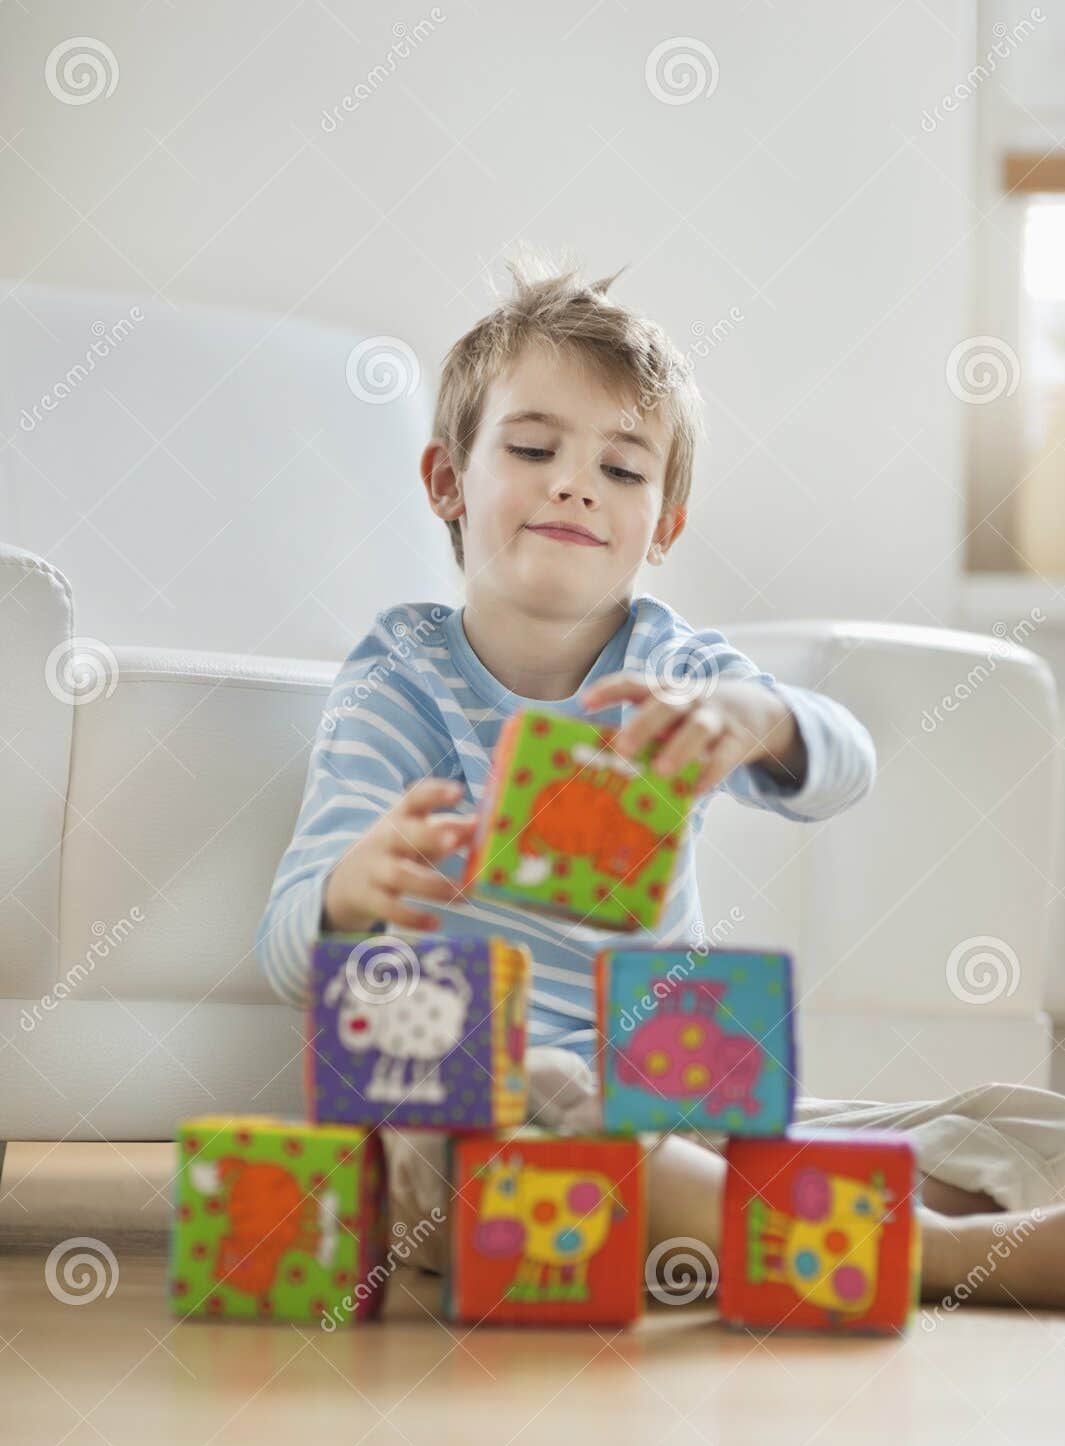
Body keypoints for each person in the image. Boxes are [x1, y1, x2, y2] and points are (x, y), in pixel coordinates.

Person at [255, 257, 1065, 1312]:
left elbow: (843, 768)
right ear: (448, 480)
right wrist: (350, 888)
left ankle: (791, 1215)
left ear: (664, 525)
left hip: (672, 1103)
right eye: (534, 448)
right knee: (530, 1112)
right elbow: (283, 945)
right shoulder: (401, 680)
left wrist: (756, 717)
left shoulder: (675, 664)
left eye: (625, 471)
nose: (576, 483)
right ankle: (939, 1257)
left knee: (1020, 1122)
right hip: (474, 1108)